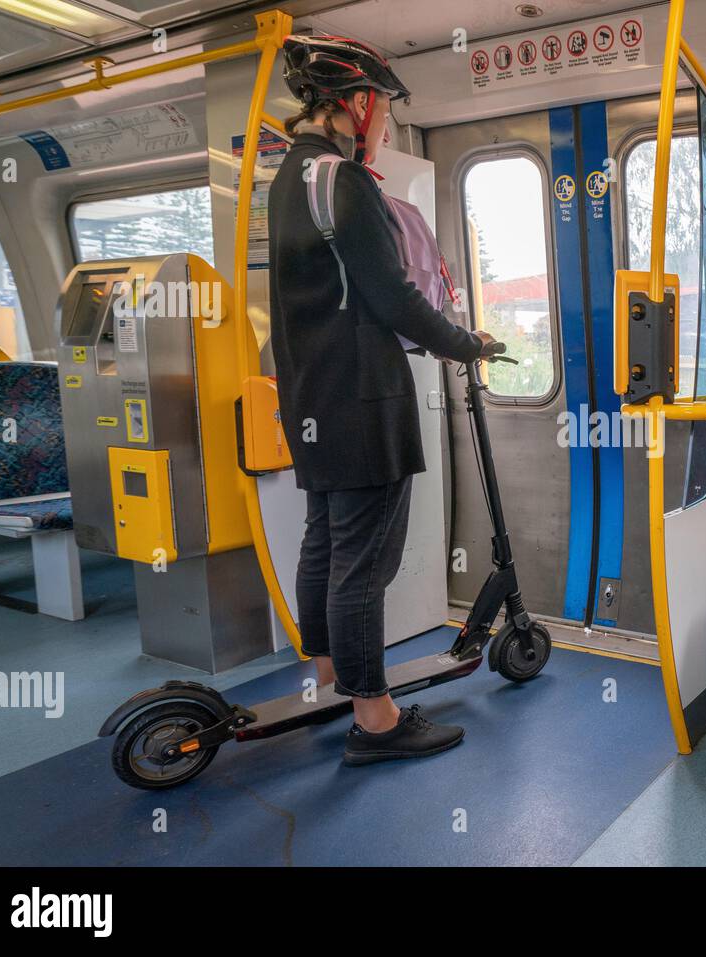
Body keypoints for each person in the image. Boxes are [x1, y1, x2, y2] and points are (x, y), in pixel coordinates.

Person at [268, 35, 494, 766]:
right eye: (385, 107)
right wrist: (466, 343)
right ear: (356, 104)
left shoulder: (289, 177)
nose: (388, 124)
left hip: (311, 399)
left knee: (326, 544)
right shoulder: (346, 182)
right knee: (363, 563)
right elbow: (393, 296)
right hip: (364, 400)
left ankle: (329, 680)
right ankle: (375, 718)